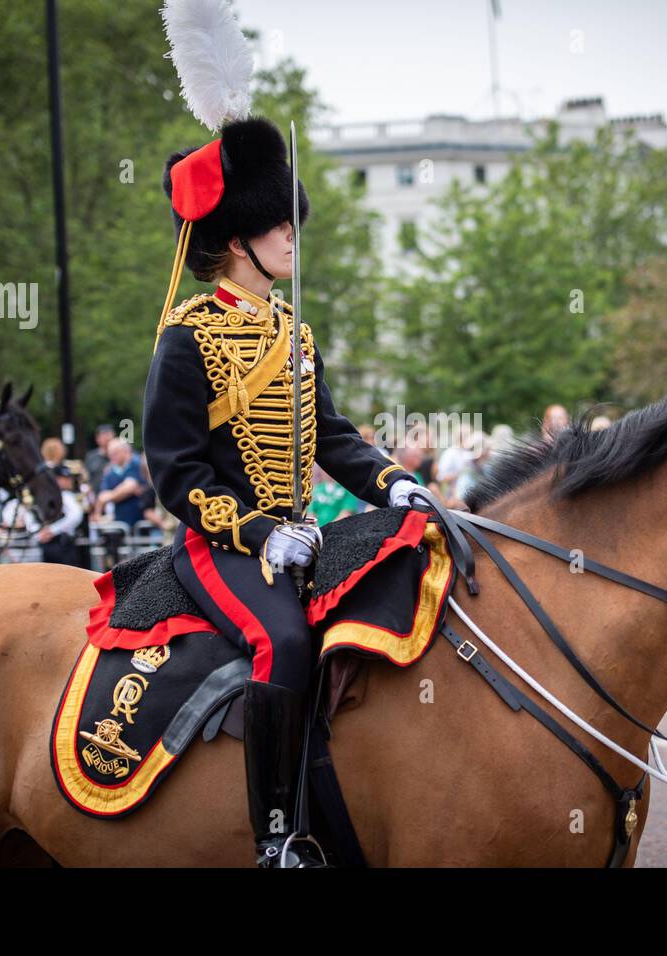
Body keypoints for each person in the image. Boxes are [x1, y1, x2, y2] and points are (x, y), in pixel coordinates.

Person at [145, 116, 427, 868]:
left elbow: (332, 437)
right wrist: (260, 532)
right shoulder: (187, 335)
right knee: (286, 639)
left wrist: (396, 483)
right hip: (223, 546)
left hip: (302, 534)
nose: (292, 237)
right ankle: (276, 835)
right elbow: (175, 470)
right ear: (238, 240)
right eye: (278, 225)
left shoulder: (294, 334)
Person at [92, 437, 146, 529]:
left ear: (126, 451)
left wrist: (111, 497)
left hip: (141, 522)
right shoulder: (110, 472)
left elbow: (130, 486)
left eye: (115, 453)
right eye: (110, 454)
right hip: (120, 521)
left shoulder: (137, 464)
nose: (111, 456)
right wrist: (121, 493)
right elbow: (102, 497)